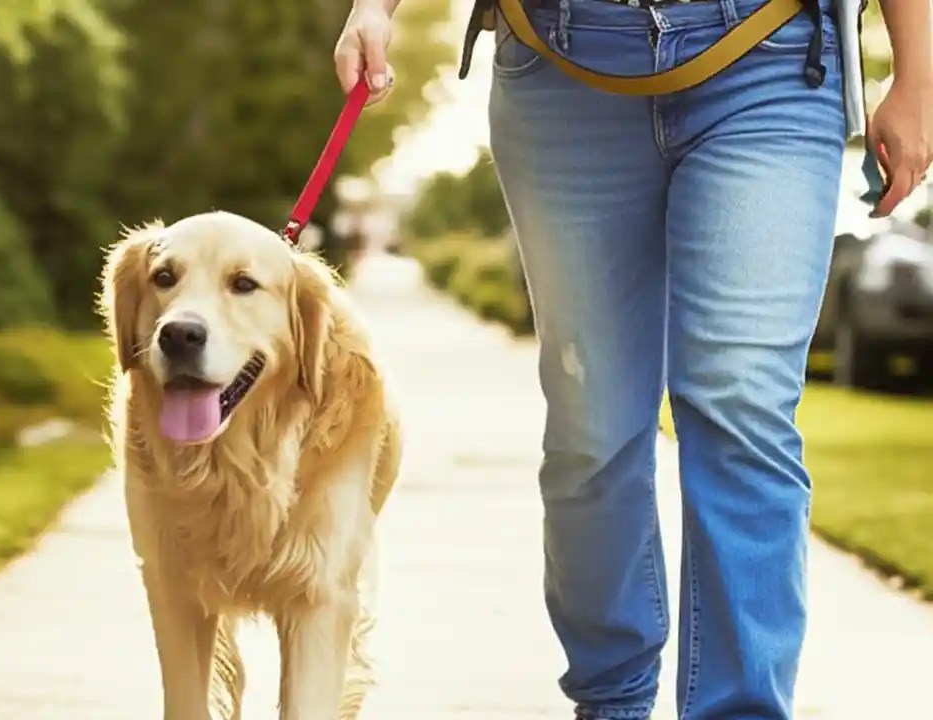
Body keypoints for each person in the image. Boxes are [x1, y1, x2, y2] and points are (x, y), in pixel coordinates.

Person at [334, 0, 931, 718]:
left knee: (740, 403)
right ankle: (612, 702)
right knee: (593, 430)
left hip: (766, 57)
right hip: (562, 64)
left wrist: (917, 73)